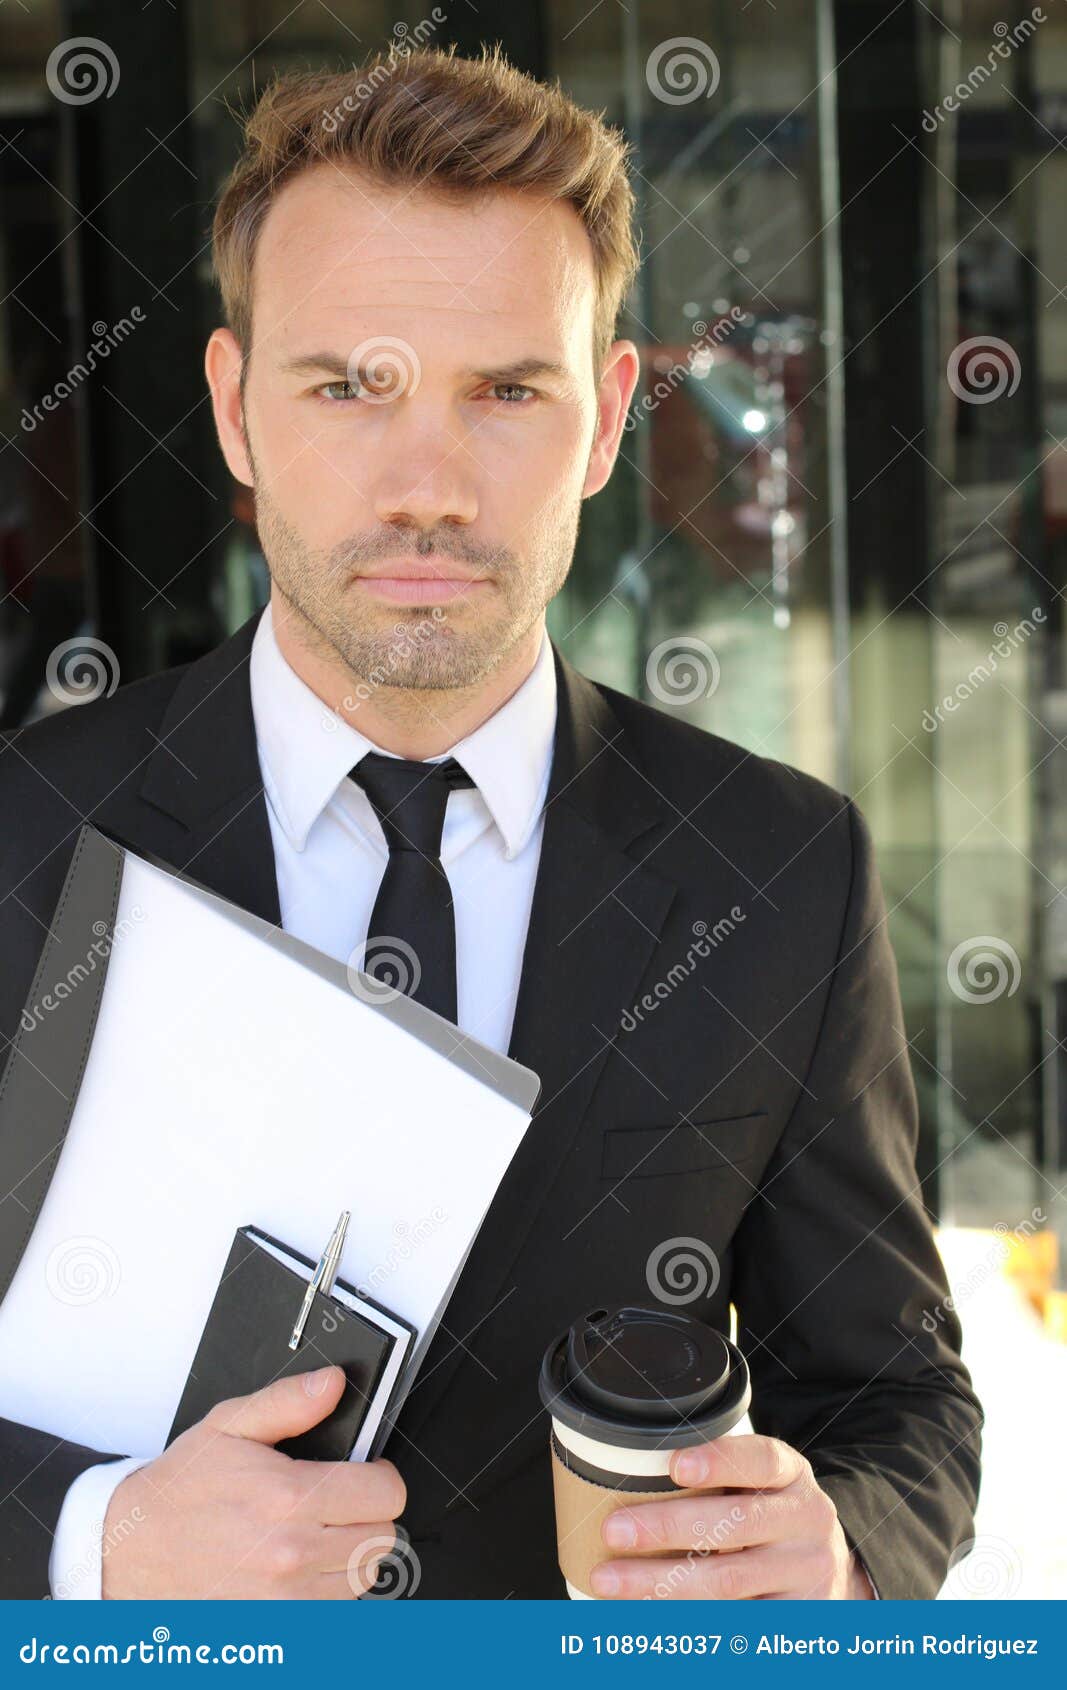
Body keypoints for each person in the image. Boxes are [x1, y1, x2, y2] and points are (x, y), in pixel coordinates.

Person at [0, 46, 981, 1602]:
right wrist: (89, 1538)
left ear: (601, 425)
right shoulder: (22, 839)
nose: (430, 484)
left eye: (506, 392)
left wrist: (838, 1551)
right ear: (237, 410)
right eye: (349, 385)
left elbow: (892, 1402)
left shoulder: (782, 868)